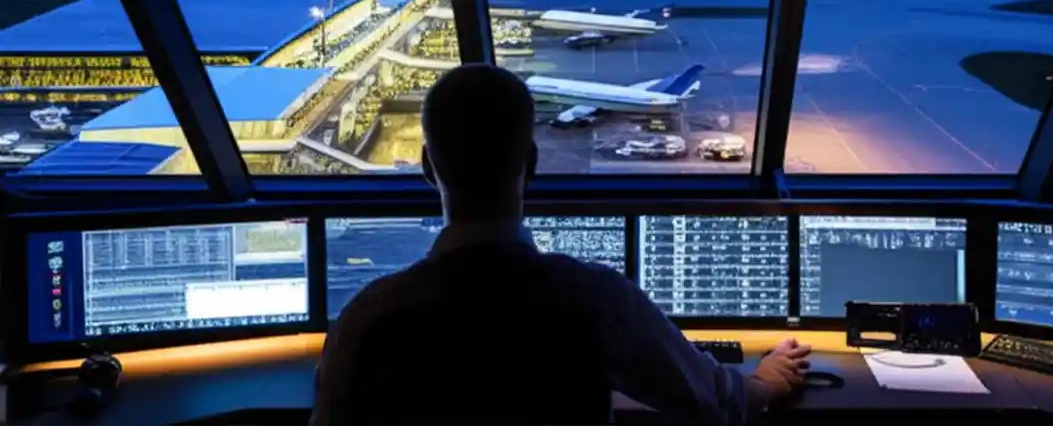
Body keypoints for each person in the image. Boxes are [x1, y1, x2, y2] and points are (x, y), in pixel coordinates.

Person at [312, 64, 811, 425]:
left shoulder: (367, 318)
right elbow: (716, 402)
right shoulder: (593, 297)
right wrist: (765, 383)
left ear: (427, 167)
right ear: (530, 162)